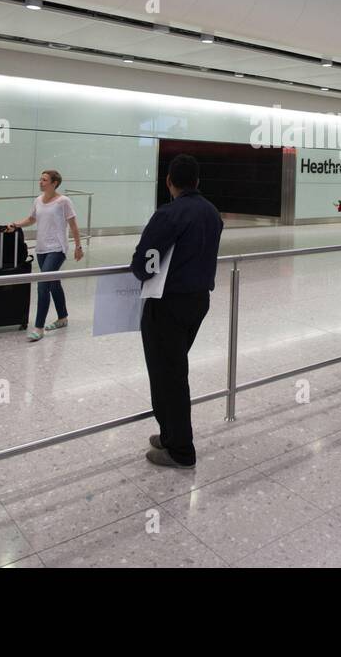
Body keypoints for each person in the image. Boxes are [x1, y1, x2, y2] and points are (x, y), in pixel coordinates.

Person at [130, 154, 224, 468]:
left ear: (170, 182)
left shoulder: (169, 214)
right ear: (197, 181)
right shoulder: (212, 213)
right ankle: (170, 434)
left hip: (167, 304)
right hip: (198, 300)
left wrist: (140, 268)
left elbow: (146, 263)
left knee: (167, 375)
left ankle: (181, 449)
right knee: (173, 369)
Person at [4, 169, 83, 342]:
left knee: (43, 285)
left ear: (54, 183)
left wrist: (78, 246)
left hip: (57, 249)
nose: (40, 182)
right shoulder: (38, 200)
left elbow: (74, 225)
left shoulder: (64, 201)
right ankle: (62, 318)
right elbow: (32, 219)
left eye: (44, 180)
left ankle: (39, 327)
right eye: (40, 179)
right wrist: (16, 225)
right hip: (41, 249)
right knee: (53, 284)